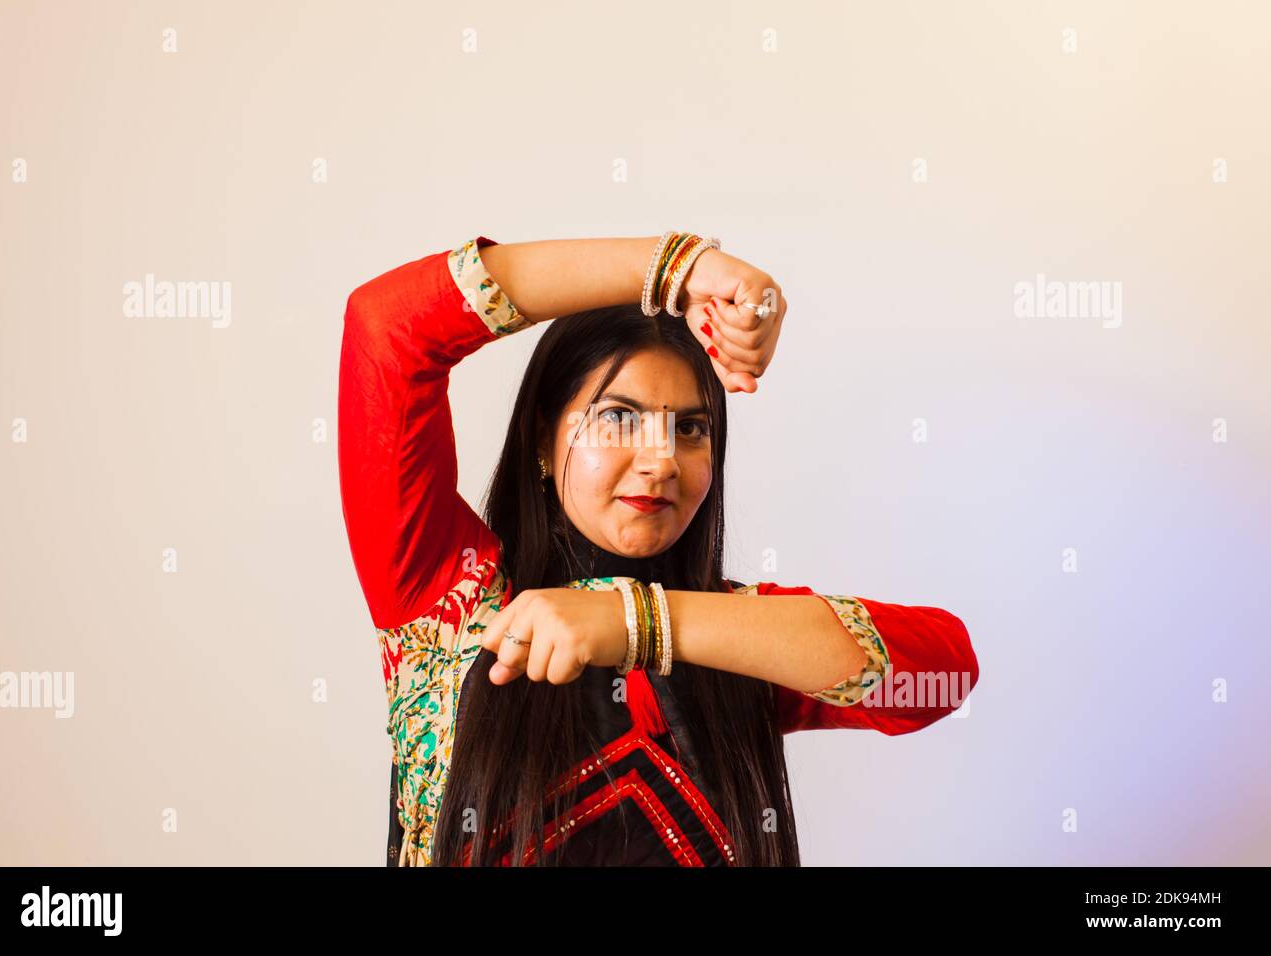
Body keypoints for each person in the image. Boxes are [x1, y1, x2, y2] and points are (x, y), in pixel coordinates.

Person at [337, 232, 979, 867]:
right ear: (542, 438)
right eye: (618, 417)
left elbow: (944, 673)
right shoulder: (443, 594)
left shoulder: (734, 638)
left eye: (691, 428)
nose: (661, 461)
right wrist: (679, 268)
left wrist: (639, 623)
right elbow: (387, 328)